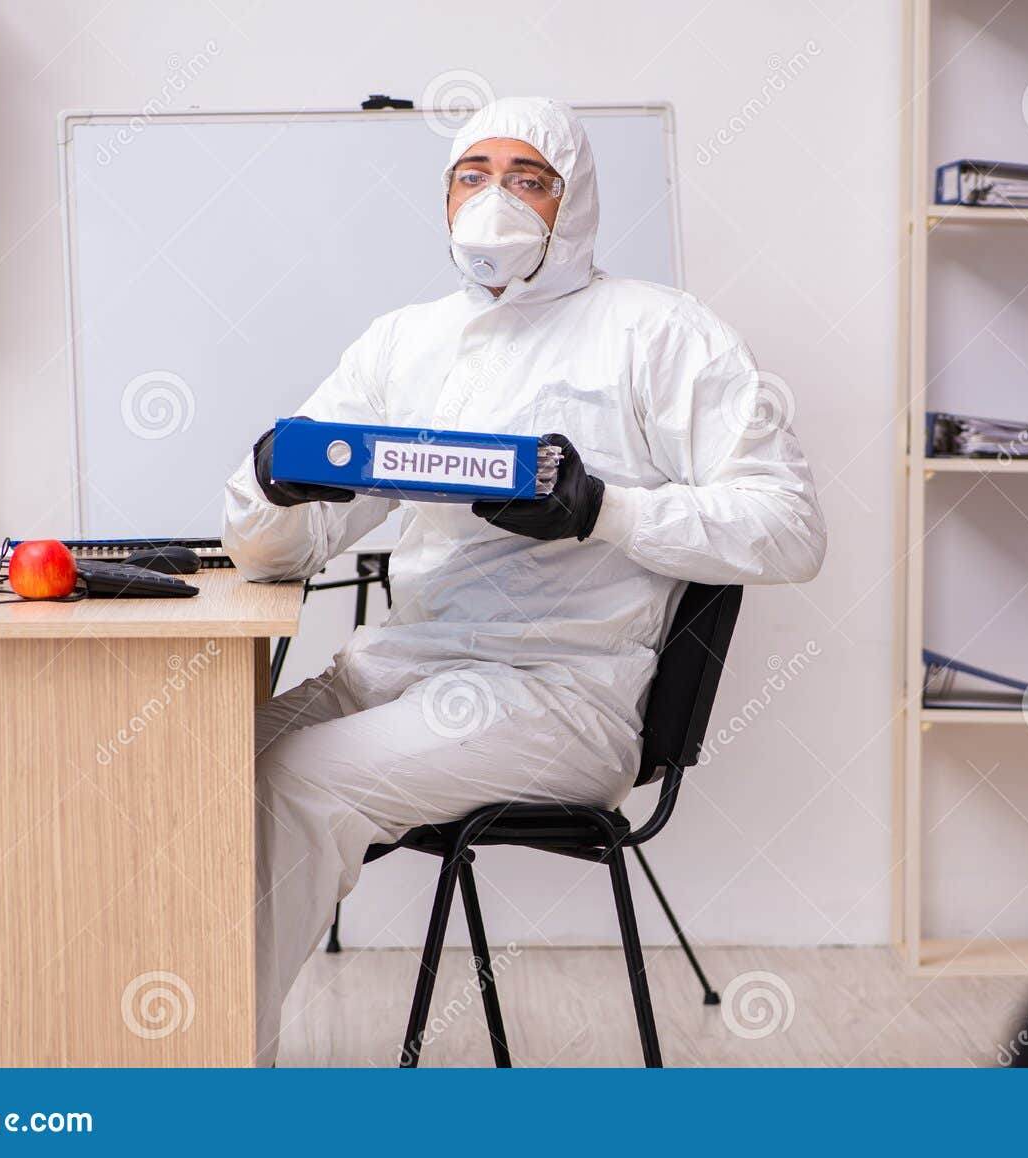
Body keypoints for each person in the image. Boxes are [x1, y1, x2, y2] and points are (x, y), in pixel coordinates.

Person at [223, 96, 827, 1065]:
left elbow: (789, 528)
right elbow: (277, 554)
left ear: (572, 199)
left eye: (526, 179)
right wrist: (271, 487)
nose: (493, 200)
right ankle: (135, 1044)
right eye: (471, 177)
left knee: (292, 783)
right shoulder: (404, 343)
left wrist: (604, 510)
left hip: (561, 697)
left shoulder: (660, 333)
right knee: (185, 767)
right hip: (397, 672)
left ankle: (211, 1081)